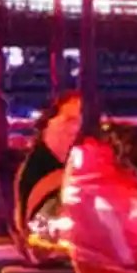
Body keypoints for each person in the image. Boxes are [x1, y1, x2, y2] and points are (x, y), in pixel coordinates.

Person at [14, 91, 81, 235]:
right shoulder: (38, 170)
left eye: (81, 122)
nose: (75, 129)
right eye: (70, 121)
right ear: (50, 124)